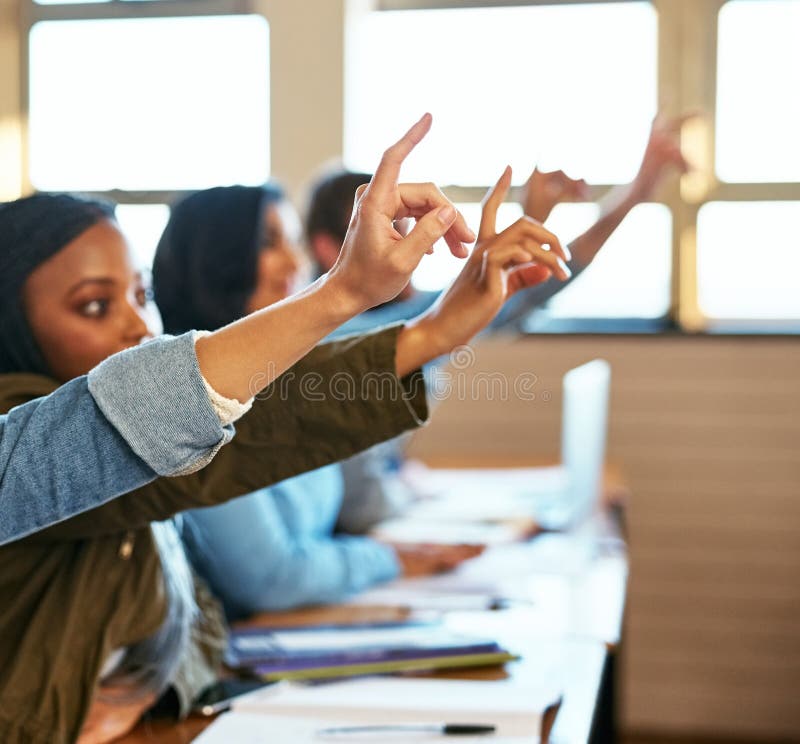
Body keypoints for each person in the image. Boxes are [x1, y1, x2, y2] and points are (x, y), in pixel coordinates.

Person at [0, 115, 572, 743]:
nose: (139, 328)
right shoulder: (36, 437)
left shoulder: (131, 484)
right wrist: (360, 302)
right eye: (93, 305)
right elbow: (162, 432)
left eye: (143, 295)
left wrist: (143, 687)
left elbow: (198, 616)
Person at [306, 115, 690, 532]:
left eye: (401, 229)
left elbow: (520, 291)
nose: (405, 252)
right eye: (383, 236)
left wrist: (631, 199)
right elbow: (360, 507)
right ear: (326, 248)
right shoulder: (340, 338)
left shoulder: (406, 314)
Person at [153, 183, 482, 618]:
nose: (295, 262)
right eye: (269, 243)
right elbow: (271, 579)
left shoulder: (285, 372)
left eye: (292, 241)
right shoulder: (186, 400)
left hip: (308, 613)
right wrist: (387, 559)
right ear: (215, 259)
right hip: (253, 633)